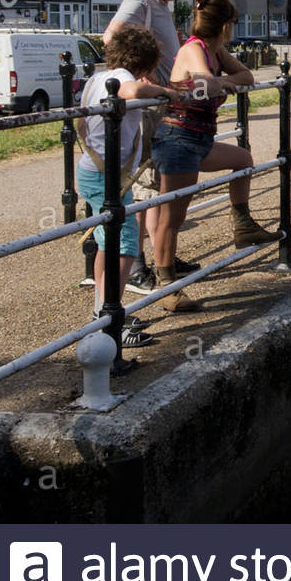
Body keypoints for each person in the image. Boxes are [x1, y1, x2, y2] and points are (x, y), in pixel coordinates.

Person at [151, 0, 278, 311]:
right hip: (178, 140)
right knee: (173, 216)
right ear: (225, 25)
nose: (233, 29)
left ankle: (243, 226)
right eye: (232, 24)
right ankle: (166, 287)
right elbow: (206, 82)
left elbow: (246, 76)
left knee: (243, 161)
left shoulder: (216, 50)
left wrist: (224, 81)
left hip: (201, 140)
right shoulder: (194, 48)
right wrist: (223, 82)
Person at [102, 0, 203, 295]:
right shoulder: (140, 1)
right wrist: (140, 79)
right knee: (146, 185)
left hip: (162, 105)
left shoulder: (160, 5)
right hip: (147, 109)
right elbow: (112, 36)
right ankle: (140, 267)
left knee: (159, 182)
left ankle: (164, 259)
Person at [77, 26, 183, 347]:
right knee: (124, 245)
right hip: (106, 176)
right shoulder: (122, 79)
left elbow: (84, 122)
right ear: (146, 63)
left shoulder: (96, 78)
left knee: (106, 243)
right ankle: (109, 324)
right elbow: (128, 93)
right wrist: (165, 92)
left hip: (93, 170)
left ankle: (104, 311)